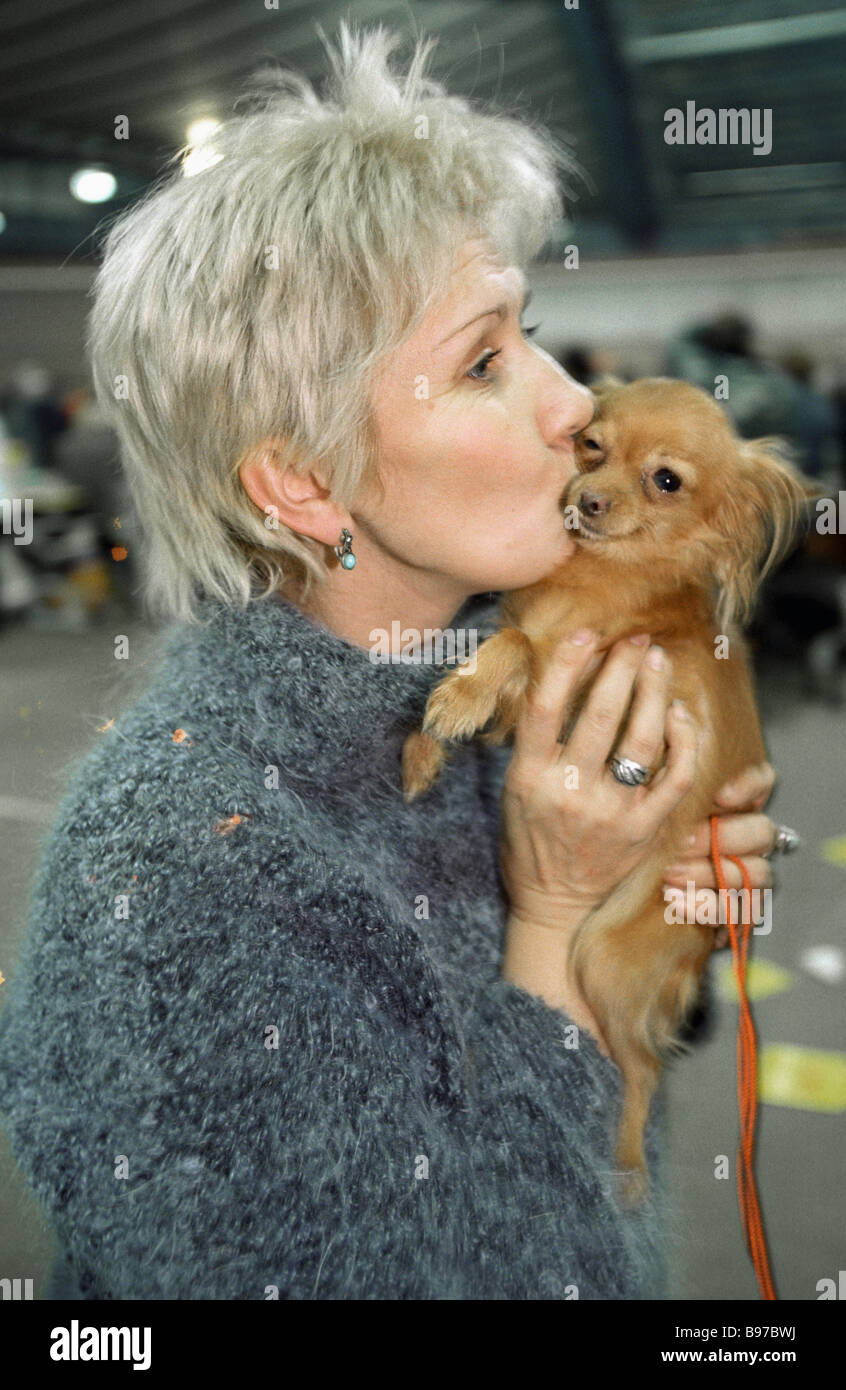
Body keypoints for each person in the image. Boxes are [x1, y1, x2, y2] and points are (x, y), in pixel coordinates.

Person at [0, 24, 781, 1300]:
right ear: (303, 484)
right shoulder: (176, 871)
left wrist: (662, 913)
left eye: (532, 331)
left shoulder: (518, 667)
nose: (571, 401)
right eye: (482, 361)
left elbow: (642, 1076)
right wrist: (554, 919)